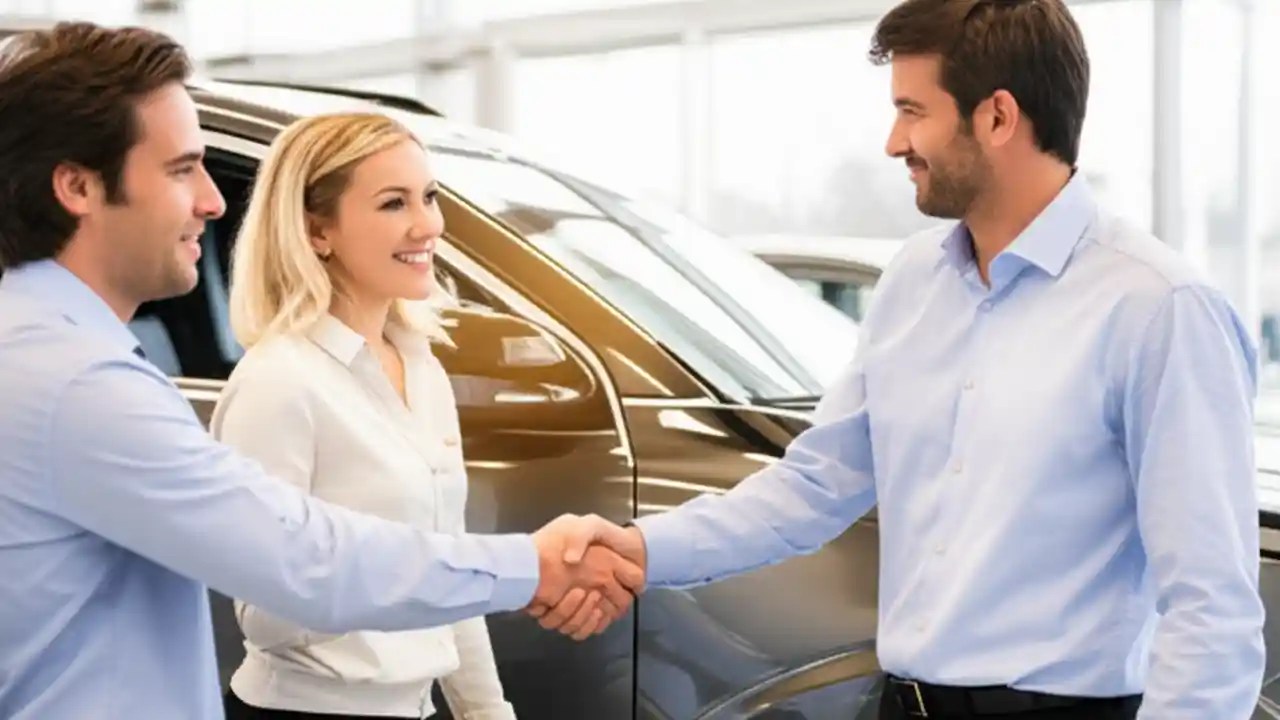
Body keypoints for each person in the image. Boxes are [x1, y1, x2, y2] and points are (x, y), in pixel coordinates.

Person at [538, 0, 1266, 718]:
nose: (894, 141)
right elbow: (816, 487)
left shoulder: (1159, 307)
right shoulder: (913, 281)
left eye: (914, 111)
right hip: (903, 702)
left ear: (998, 117)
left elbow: (1211, 612)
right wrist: (639, 549)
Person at [0, 22, 640, 720]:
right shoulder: (78, 382)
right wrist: (532, 565)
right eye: (183, 169)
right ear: (77, 186)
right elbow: (303, 562)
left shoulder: (55, 354)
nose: (214, 202)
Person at [211, 111, 528, 720]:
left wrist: (487, 712)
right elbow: (266, 615)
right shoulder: (278, 383)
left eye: (428, 197)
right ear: (316, 231)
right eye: (393, 204)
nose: (426, 224)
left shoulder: (422, 365)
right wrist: (416, 576)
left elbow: (451, 567)